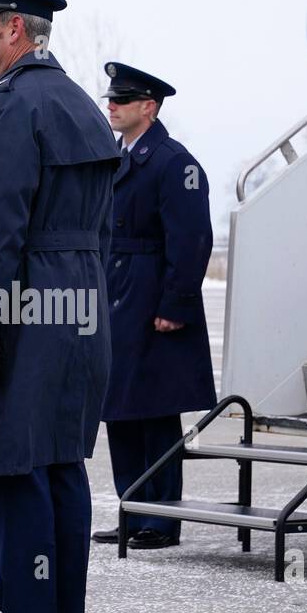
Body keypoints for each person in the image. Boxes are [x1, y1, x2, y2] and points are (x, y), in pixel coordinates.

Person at [0, 0, 119, 613]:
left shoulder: (12, 106)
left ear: (14, 30)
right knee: (59, 464)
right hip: (80, 299)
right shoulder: (78, 102)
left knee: (13, 461)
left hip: (24, 297)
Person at [88, 63, 216, 550]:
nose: (112, 106)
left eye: (123, 99)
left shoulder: (172, 162)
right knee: (120, 410)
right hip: (119, 296)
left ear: (150, 106)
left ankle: (160, 520)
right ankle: (133, 510)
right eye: (111, 99)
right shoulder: (118, 156)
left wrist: (176, 304)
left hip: (153, 298)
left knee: (156, 414)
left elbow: (191, 241)